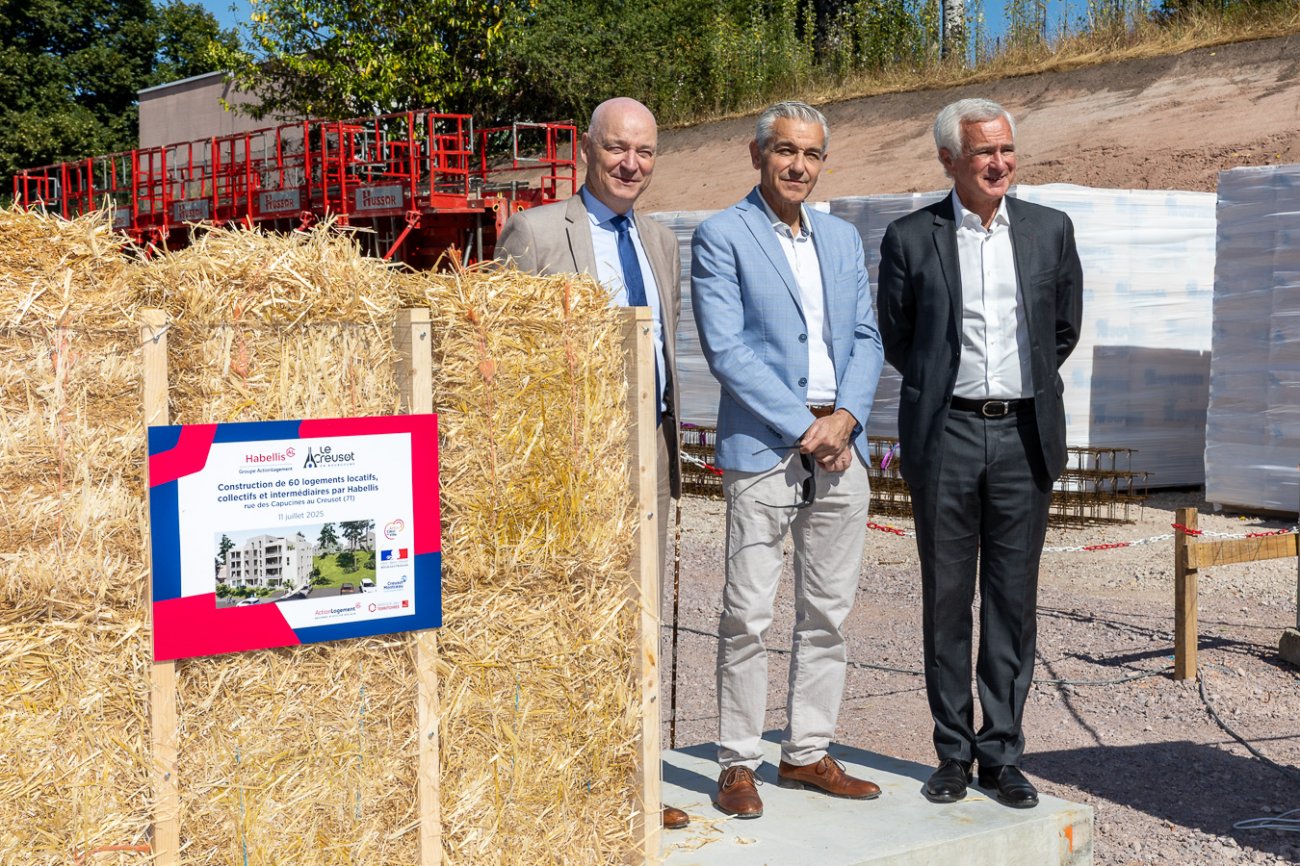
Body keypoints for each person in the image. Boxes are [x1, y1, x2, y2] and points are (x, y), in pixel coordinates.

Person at [876, 98, 1084, 809]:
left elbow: (1062, 329)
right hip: (949, 435)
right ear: (948, 161)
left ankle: (1002, 753)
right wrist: (950, 391)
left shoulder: (1049, 231)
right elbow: (901, 340)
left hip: (1025, 433)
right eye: (984, 152)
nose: (1000, 163)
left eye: (1007, 150)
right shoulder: (911, 238)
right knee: (946, 600)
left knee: (1011, 601)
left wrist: (1017, 388)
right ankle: (951, 753)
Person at [495, 96, 688, 831]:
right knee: (570, 624)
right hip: (571, 463)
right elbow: (497, 359)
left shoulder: (661, 239)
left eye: (644, 151)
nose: (631, 163)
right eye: (617, 149)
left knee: (639, 626)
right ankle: (570, 787)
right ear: (585, 149)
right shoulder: (537, 233)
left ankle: (636, 783)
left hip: (649, 455)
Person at [691, 101, 884, 819]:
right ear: (757, 154)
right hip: (767, 450)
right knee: (747, 613)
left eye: (811, 154)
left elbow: (865, 336)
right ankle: (737, 762)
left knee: (827, 612)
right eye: (785, 151)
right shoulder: (722, 236)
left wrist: (846, 419)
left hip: (842, 445)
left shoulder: (839, 239)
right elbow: (729, 351)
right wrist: (805, 428)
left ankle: (805, 751)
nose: (798, 165)